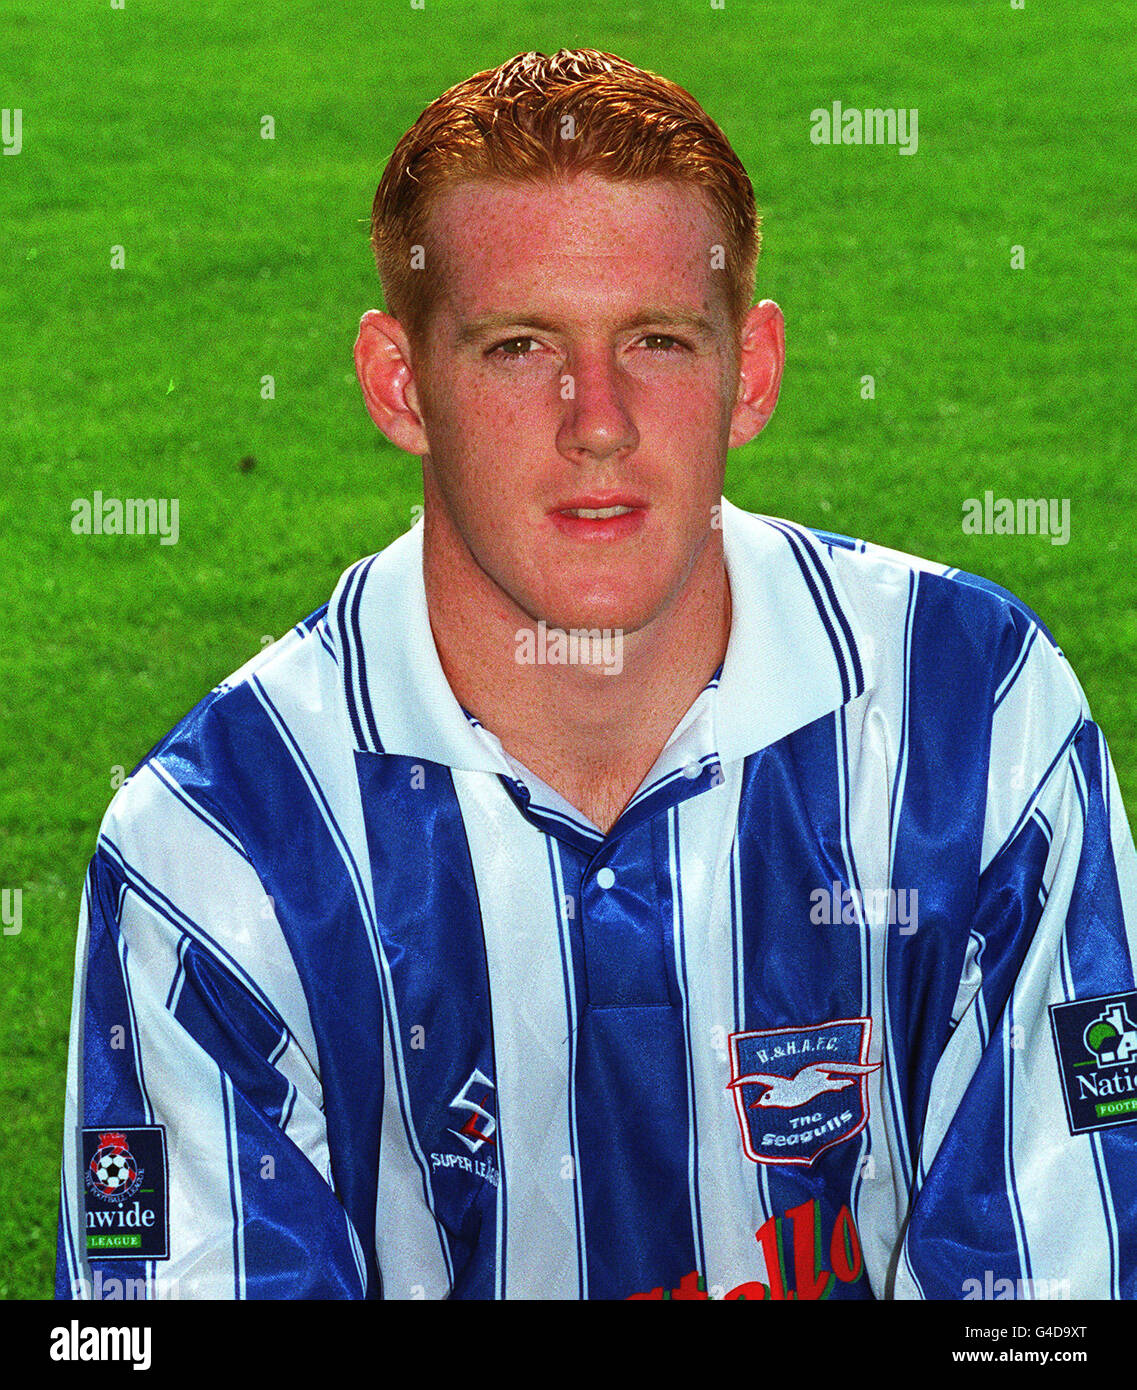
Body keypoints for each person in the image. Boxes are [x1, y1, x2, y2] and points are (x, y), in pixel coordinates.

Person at [56, 47, 1137, 1302]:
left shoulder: (977, 721)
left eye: (660, 342)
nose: (599, 418)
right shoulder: (217, 856)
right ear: (399, 385)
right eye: (519, 347)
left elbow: (1060, 1300)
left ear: (754, 372)